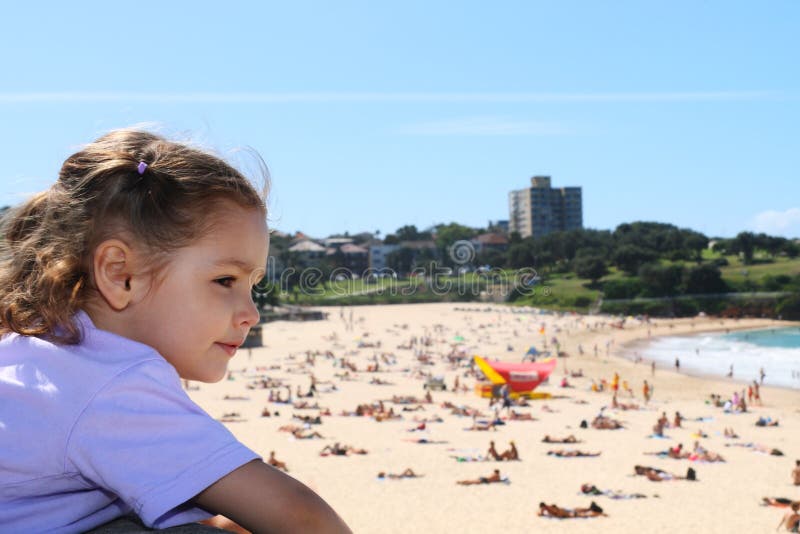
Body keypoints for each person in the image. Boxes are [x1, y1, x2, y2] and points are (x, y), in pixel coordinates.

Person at [0, 129, 351, 533]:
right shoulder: (115, 385)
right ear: (121, 274)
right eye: (225, 281)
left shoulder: (38, 351)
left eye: (252, 286)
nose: (251, 314)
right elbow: (303, 518)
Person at [537, 501, 605, 519]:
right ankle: (591, 508)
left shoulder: (550, 508)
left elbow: (559, 514)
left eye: (542, 508)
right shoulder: (548, 507)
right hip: (566, 512)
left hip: (567, 514)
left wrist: (558, 515)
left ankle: (599, 513)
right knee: (578, 510)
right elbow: (540, 514)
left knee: (583, 514)